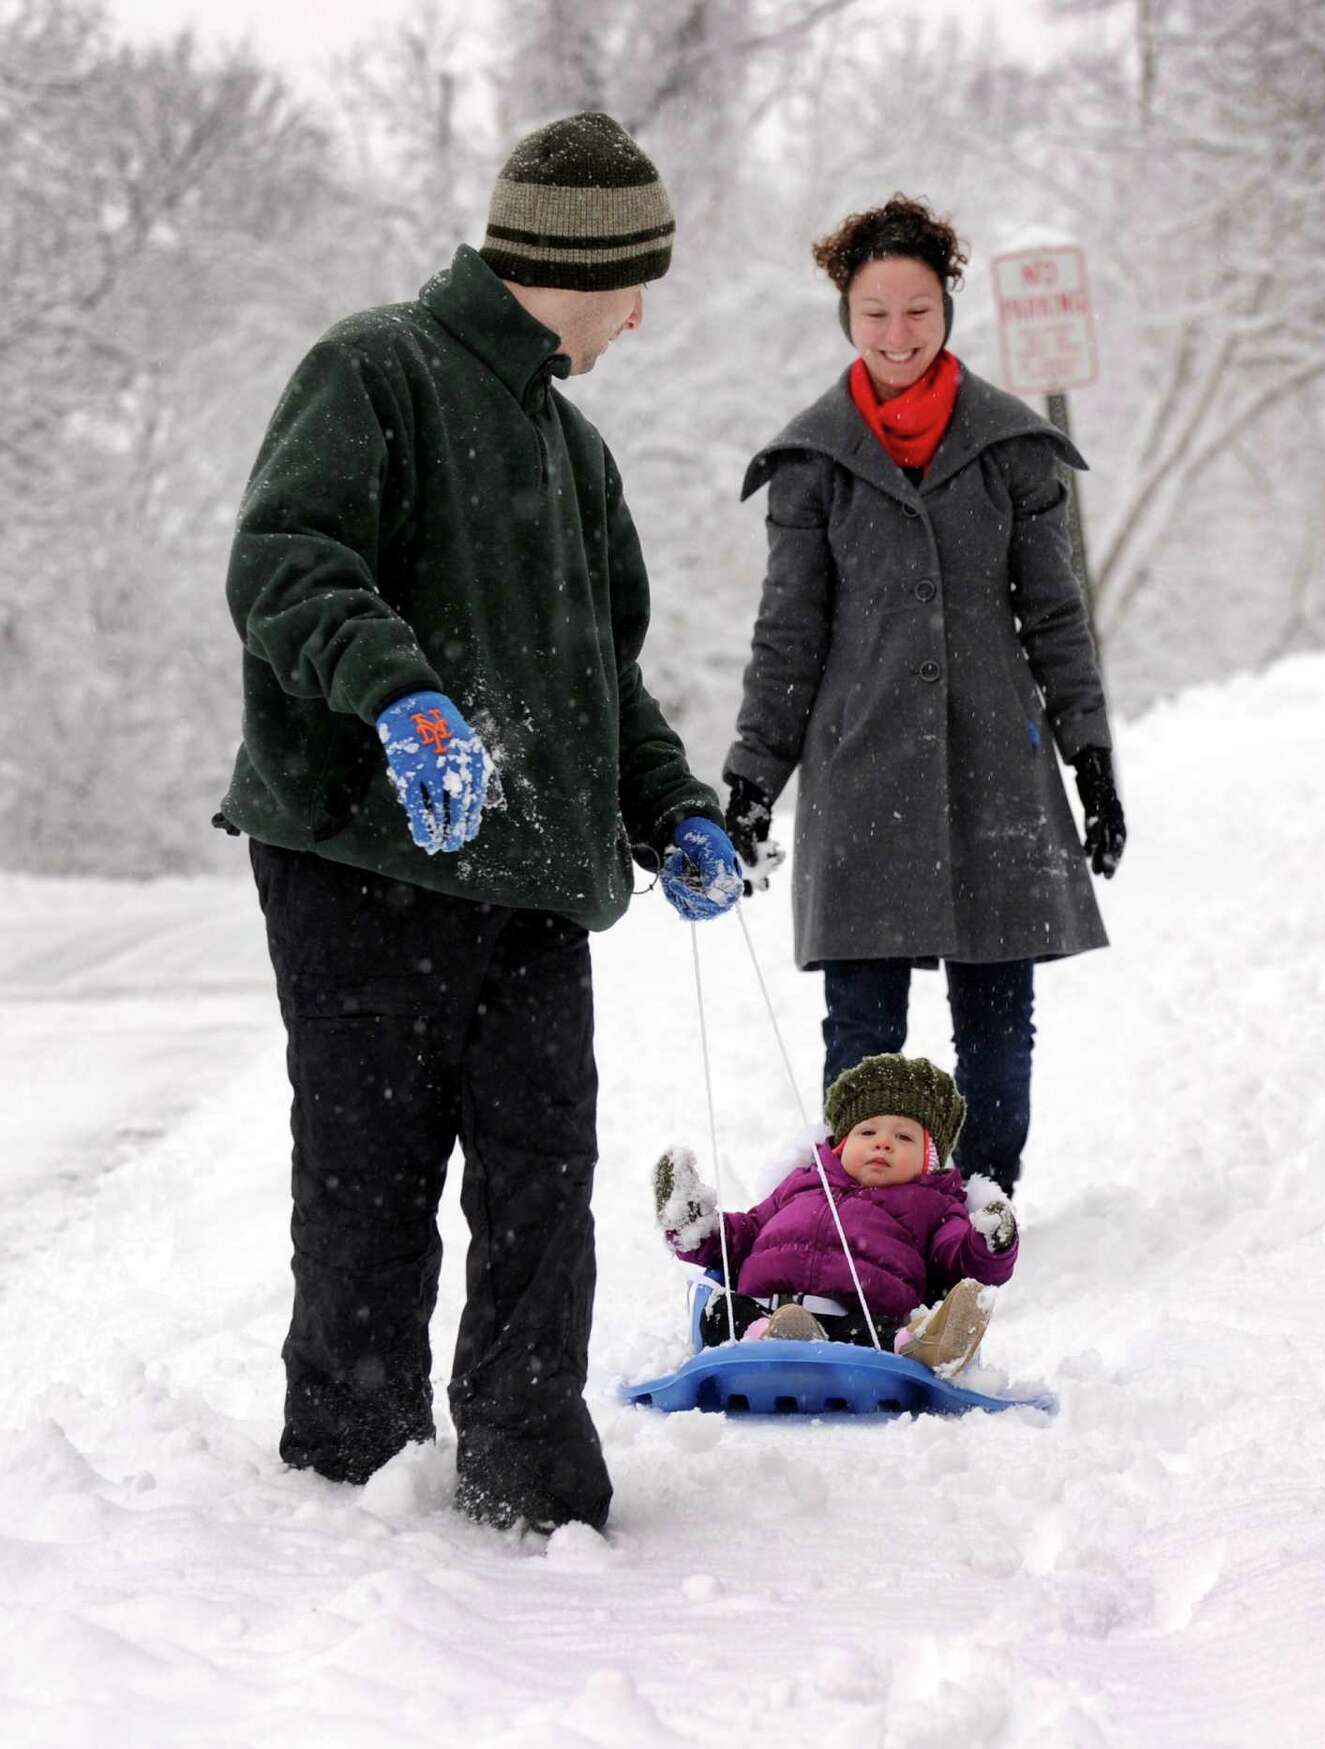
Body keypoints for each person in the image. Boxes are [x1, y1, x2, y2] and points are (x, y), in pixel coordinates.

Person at [215, 112, 742, 1534]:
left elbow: (597, 675)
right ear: (587, 265)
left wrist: (669, 807)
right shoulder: (374, 369)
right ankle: (353, 1462)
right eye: (639, 284)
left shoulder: (573, 452)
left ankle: (526, 1466)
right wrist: (401, 701)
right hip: (365, 861)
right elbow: (286, 558)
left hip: (530, 884)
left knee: (538, 1178)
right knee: (371, 1175)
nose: (640, 317)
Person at [722, 195, 1126, 1195]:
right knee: (863, 1017)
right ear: (847, 320)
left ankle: (985, 1198)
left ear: (947, 310)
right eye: (875, 315)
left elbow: (1056, 618)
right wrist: (750, 778)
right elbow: (789, 635)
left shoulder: (1011, 449)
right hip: (862, 771)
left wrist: (1093, 759)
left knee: (996, 1011)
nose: (897, 335)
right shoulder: (813, 463)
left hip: (997, 762)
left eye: (915, 311)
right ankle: (866, 1213)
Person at [653, 1055, 1019, 1375]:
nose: (883, 1142)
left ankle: (924, 1344)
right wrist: (699, 1230)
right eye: (868, 1131)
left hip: (863, 1324)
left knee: (880, 1331)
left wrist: (989, 1243)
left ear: (930, 1162)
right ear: (841, 1145)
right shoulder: (801, 1184)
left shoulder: (934, 1204)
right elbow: (745, 1235)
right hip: (763, 1308)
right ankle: (772, 1336)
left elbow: (957, 1260)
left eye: (904, 1138)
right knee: (720, 1309)